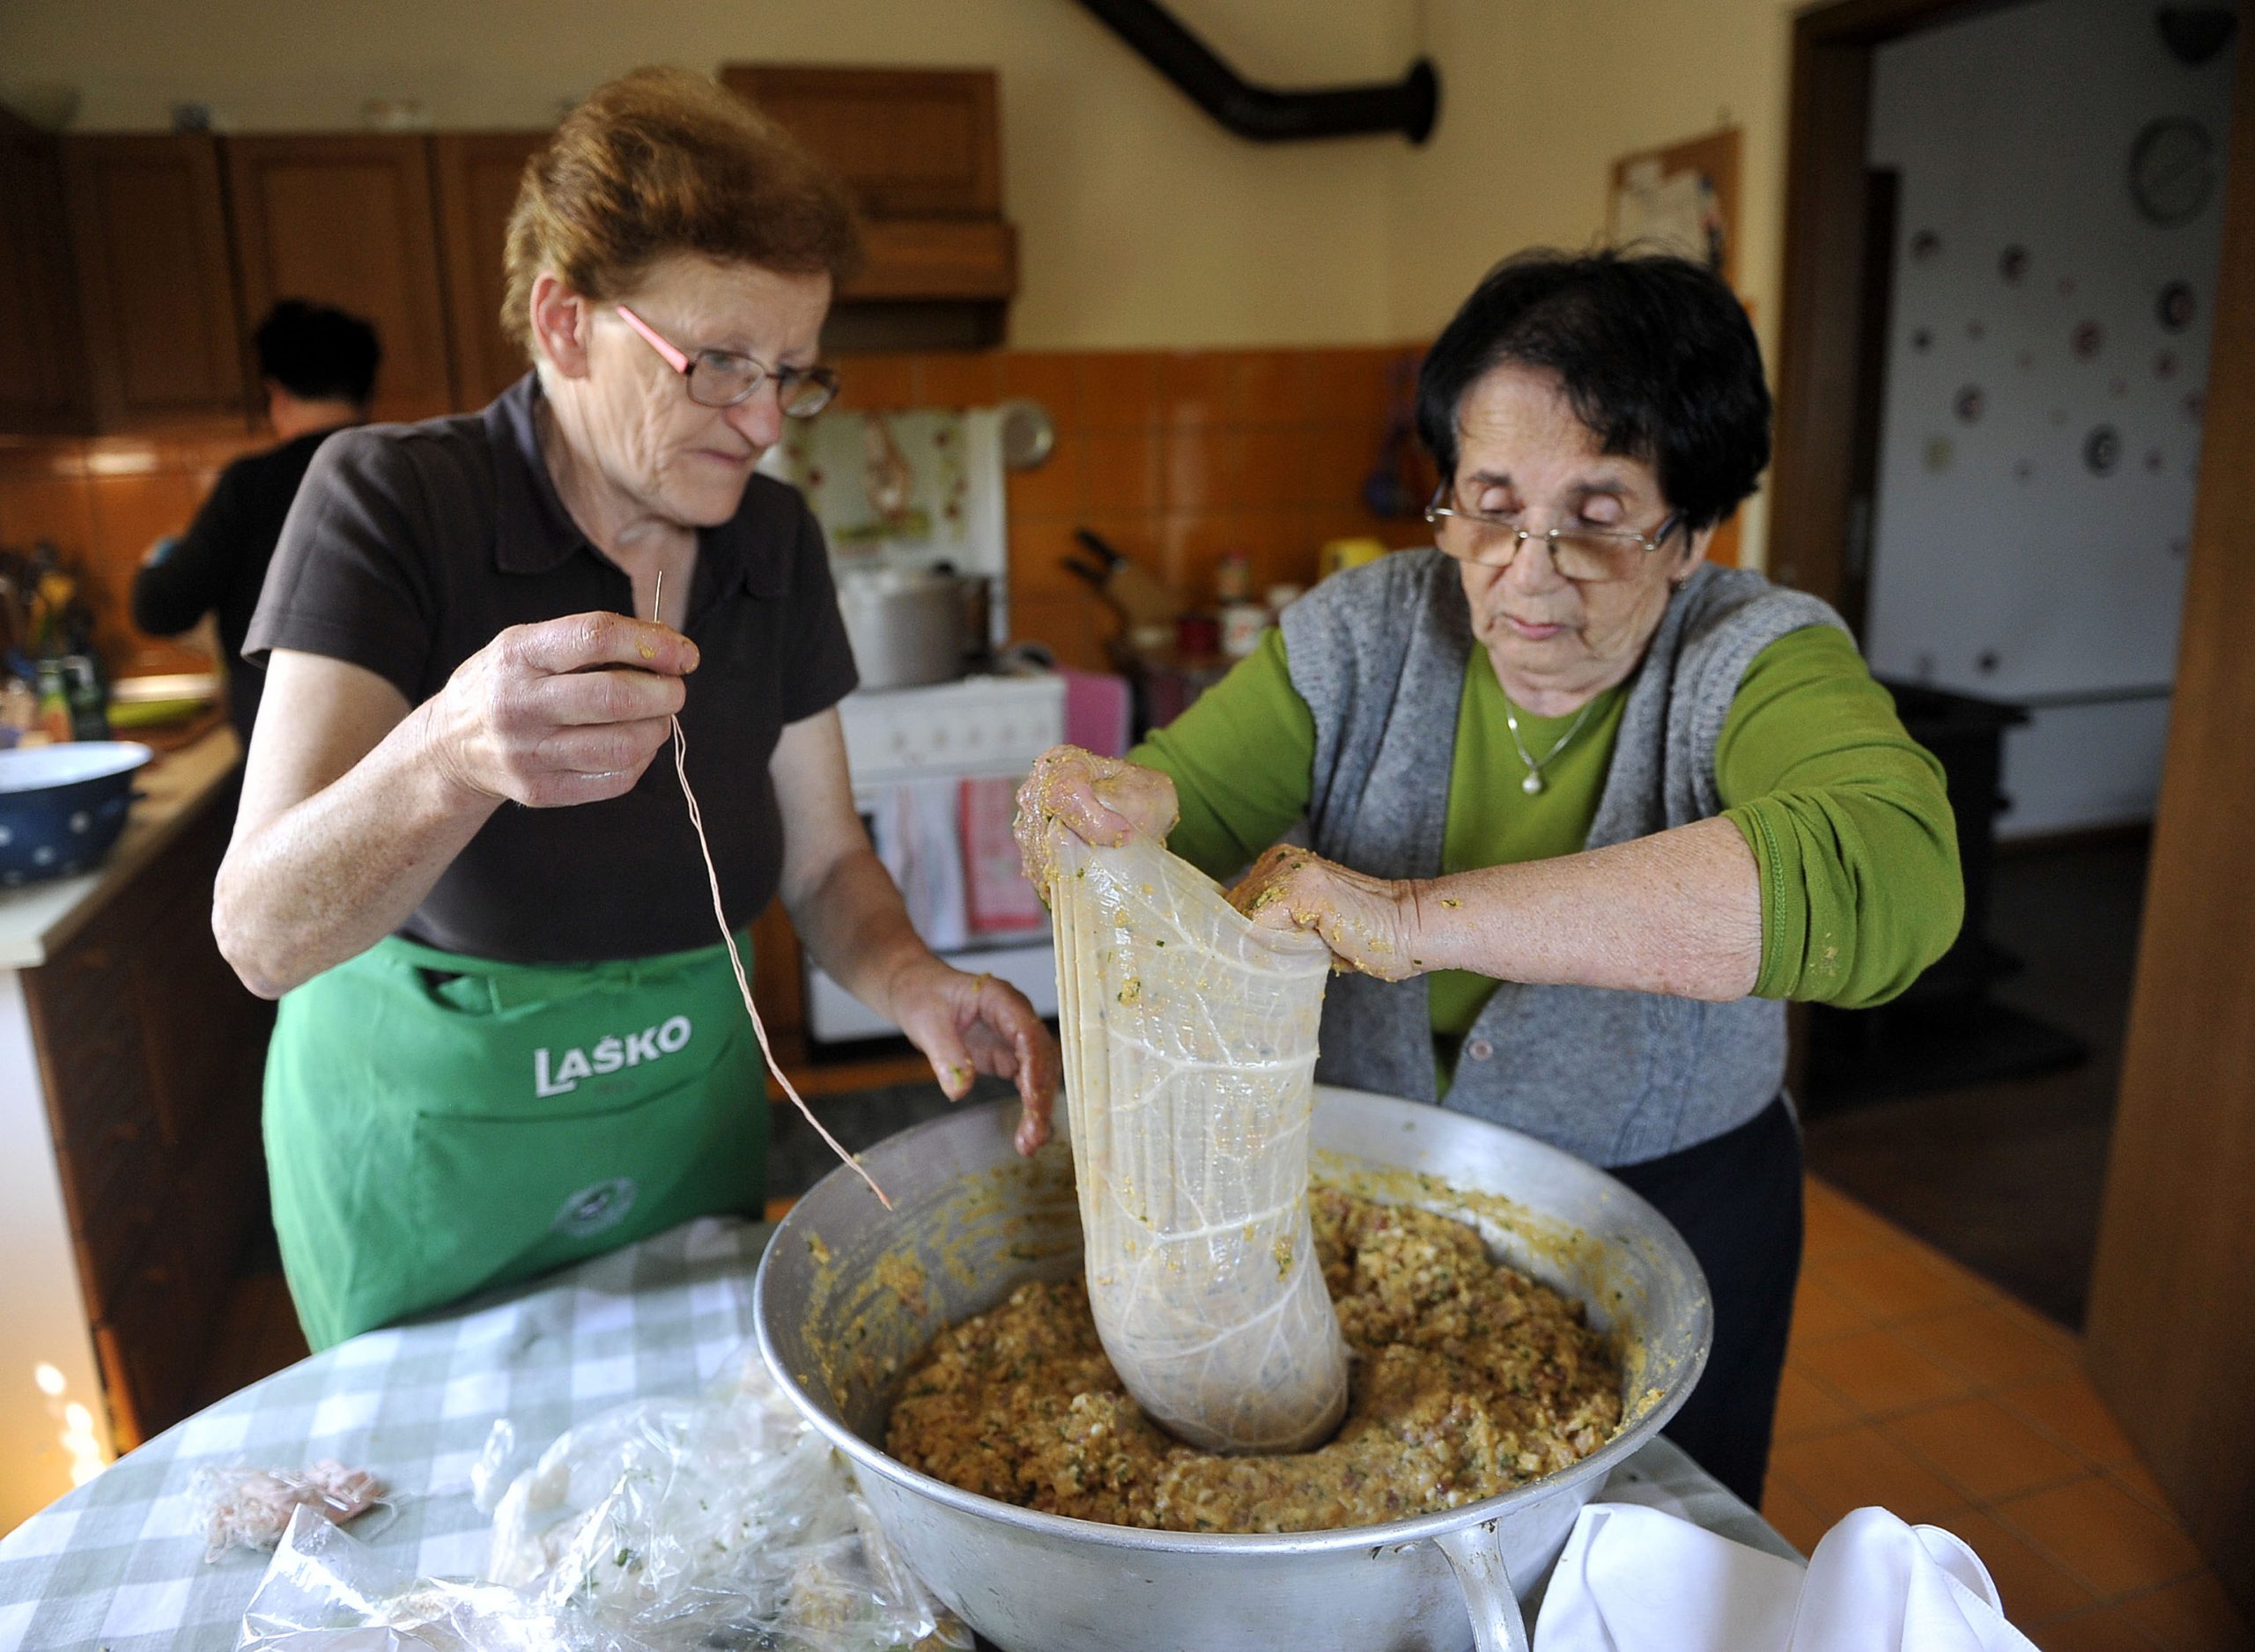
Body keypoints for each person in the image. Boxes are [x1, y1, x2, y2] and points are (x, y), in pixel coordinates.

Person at [1019, 250, 1963, 1506]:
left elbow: (1890, 877)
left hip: (1668, 1215)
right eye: (1489, 501)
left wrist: (1412, 918)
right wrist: (1116, 818)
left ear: (1694, 533)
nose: (1526, 569)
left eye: (1599, 515)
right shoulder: (1368, 632)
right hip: (1351, 1219)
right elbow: (1172, 812)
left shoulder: (1751, 655)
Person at [214, 68, 1058, 1352]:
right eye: (720, 365)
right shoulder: (389, 503)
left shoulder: (772, 541)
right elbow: (262, 937)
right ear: (564, 323)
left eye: (793, 374)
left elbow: (829, 863)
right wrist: (449, 751)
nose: (768, 420)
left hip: (682, 1111)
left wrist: (913, 980)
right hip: (431, 1150)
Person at [132, 299, 381, 742]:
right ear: (365, 392)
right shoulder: (404, 473)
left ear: (277, 394)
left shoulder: (251, 486)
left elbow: (162, 608)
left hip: (280, 743)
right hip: (396, 731)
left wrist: (157, 560)